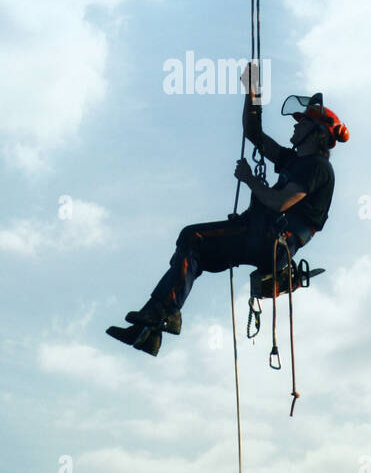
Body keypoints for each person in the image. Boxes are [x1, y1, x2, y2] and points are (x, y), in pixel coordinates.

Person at [107, 69, 349, 354]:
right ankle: (149, 331)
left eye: (302, 122)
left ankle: (164, 314)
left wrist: (249, 179)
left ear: (317, 133)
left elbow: (280, 202)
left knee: (193, 236)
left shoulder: (317, 168)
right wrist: (252, 93)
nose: (295, 127)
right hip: (262, 237)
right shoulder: (294, 160)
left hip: (271, 241)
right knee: (194, 250)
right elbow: (253, 133)